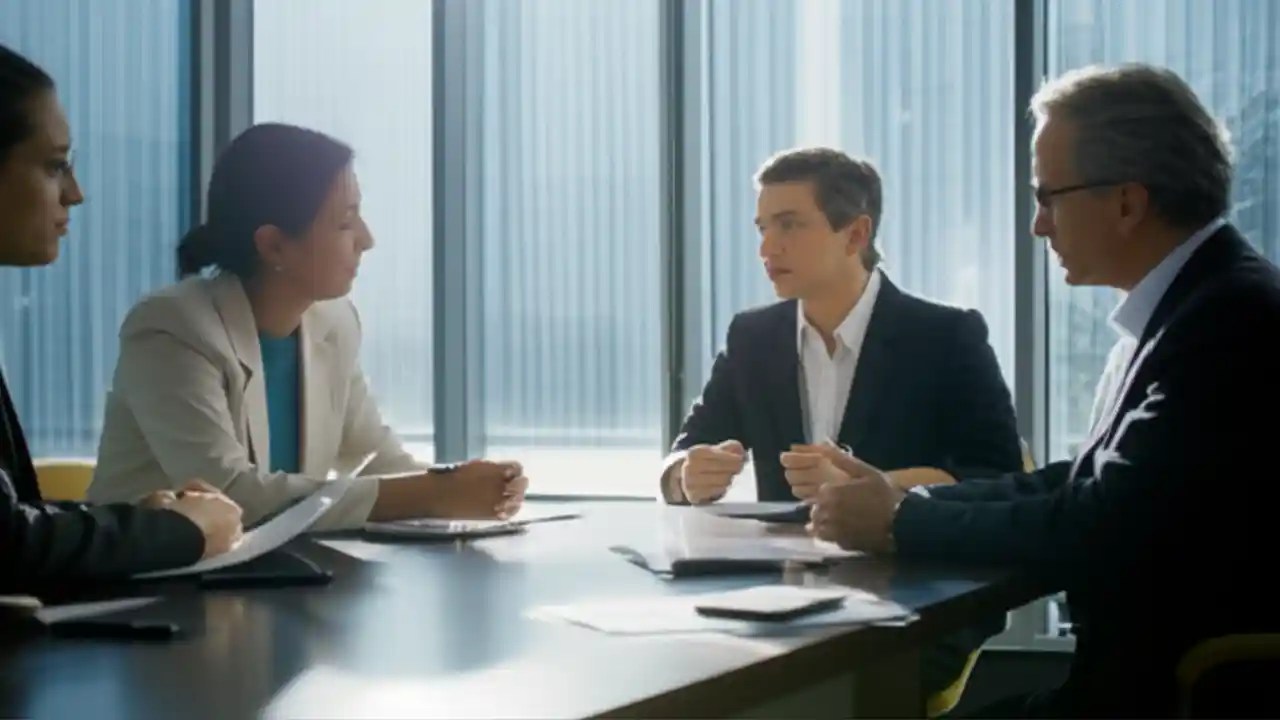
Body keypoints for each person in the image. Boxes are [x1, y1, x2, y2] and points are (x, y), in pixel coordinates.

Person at [807, 63, 1280, 717]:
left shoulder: (1232, 319)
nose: (1038, 225)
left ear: (1126, 202)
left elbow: (1102, 523)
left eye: (1049, 196)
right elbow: (1083, 484)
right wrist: (901, 499)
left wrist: (902, 521)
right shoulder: (1192, 306)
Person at [661, 147, 1024, 698]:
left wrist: (878, 487)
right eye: (762, 227)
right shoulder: (752, 338)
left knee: (818, 695)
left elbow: (998, 481)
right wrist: (685, 474)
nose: (766, 248)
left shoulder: (947, 337)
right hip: (777, 600)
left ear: (855, 234)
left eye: (789, 225)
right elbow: (681, 453)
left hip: (914, 595)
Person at [87, 123, 528, 530]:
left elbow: (373, 454)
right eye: (344, 221)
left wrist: (466, 482)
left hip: (269, 581)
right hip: (153, 589)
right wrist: (431, 496)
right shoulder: (173, 328)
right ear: (274, 244)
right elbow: (230, 495)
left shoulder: (333, 322)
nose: (366, 239)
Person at [0, 44, 242, 588]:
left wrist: (143, 524)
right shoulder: (174, 322)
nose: (76, 194)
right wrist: (179, 533)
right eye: (55, 165)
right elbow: (7, 546)